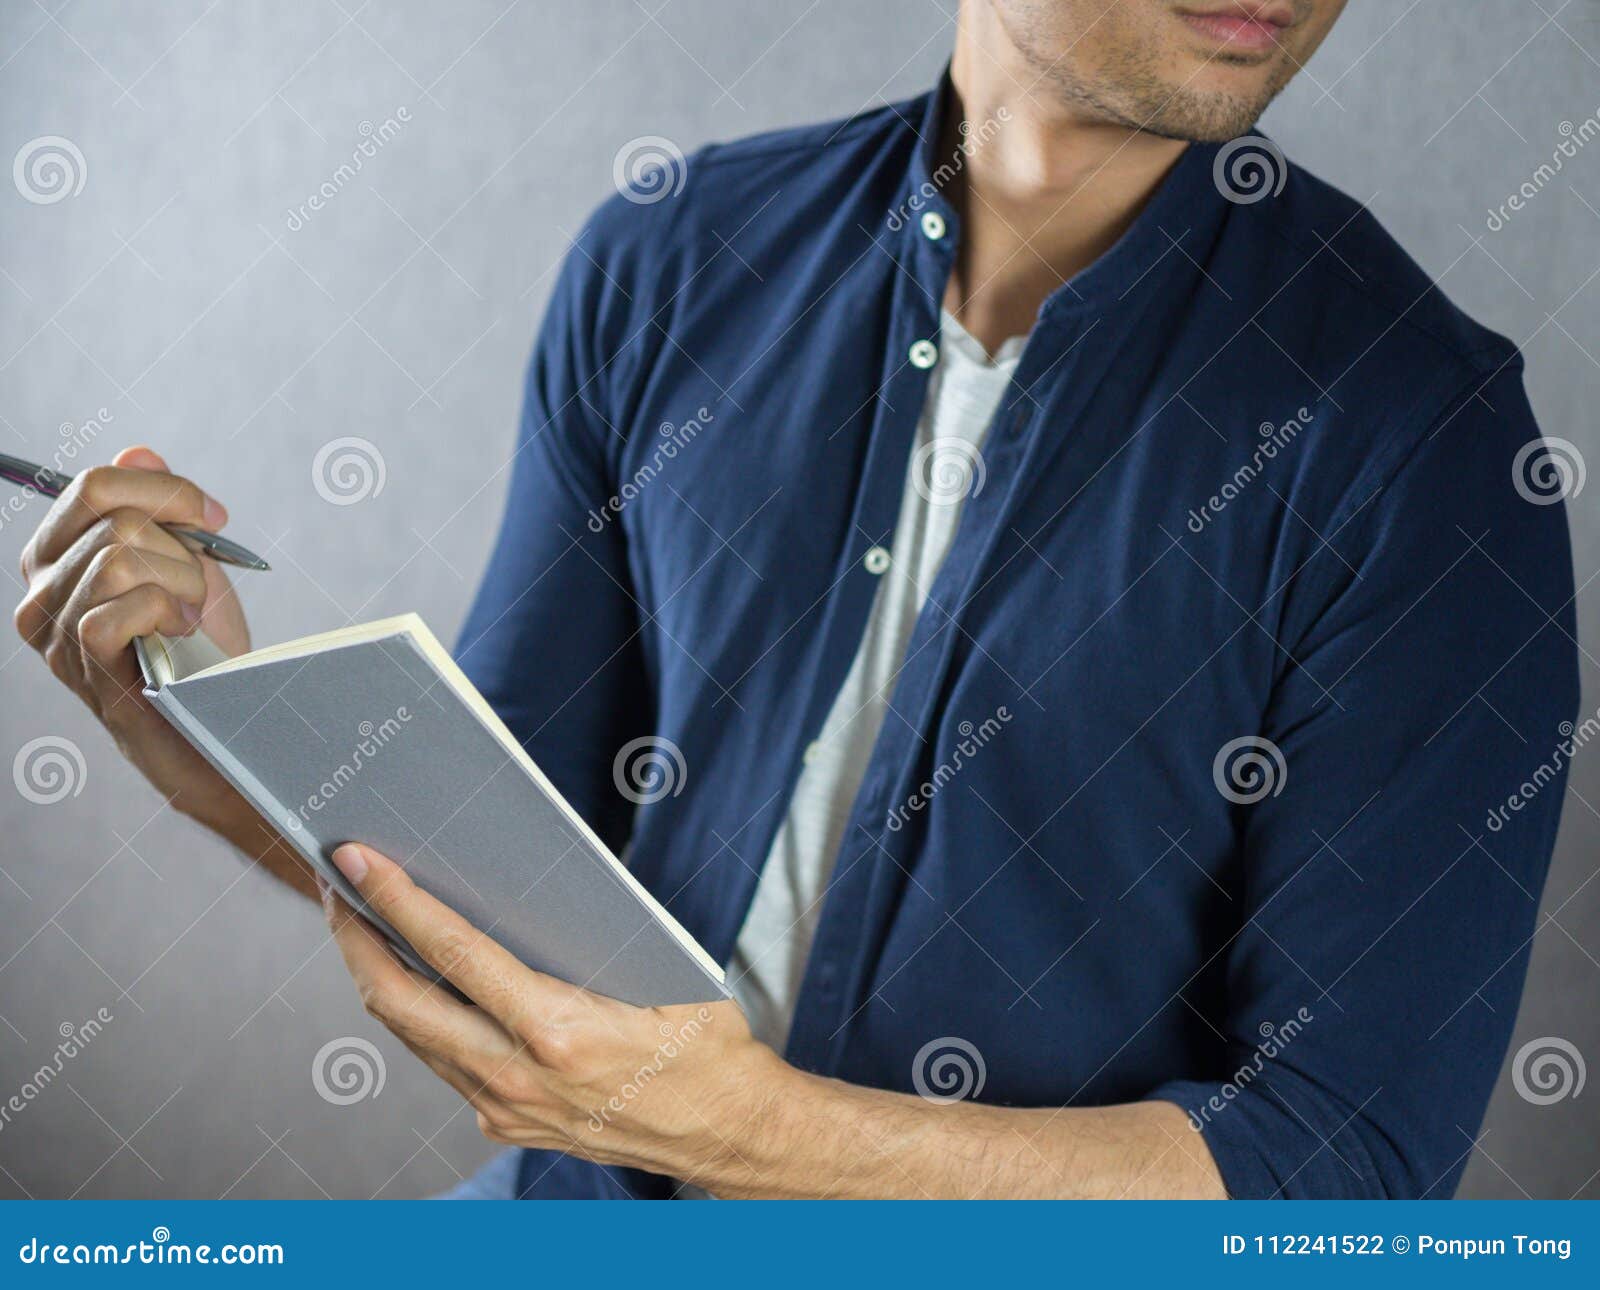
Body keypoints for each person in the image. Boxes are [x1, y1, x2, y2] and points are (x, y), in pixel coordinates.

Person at [14, 0, 1579, 1199]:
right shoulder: (669, 263)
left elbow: (1342, 1171)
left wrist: (754, 1133)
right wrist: (209, 729)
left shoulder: (1425, 437)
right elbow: (503, 869)